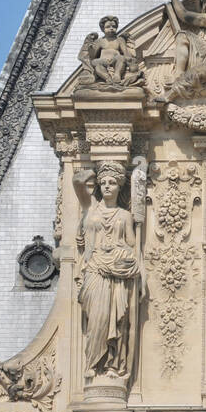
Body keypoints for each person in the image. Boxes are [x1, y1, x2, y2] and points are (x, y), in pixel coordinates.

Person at [73, 160, 145, 380]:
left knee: (115, 320)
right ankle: (94, 363)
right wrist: (91, 170)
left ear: (119, 186)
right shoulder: (91, 207)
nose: (106, 186)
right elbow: (77, 182)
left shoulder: (124, 216)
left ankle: (112, 364)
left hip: (117, 272)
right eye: (103, 182)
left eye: (112, 182)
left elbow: (133, 245)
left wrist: (137, 265)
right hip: (94, 270)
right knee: (97, 319)